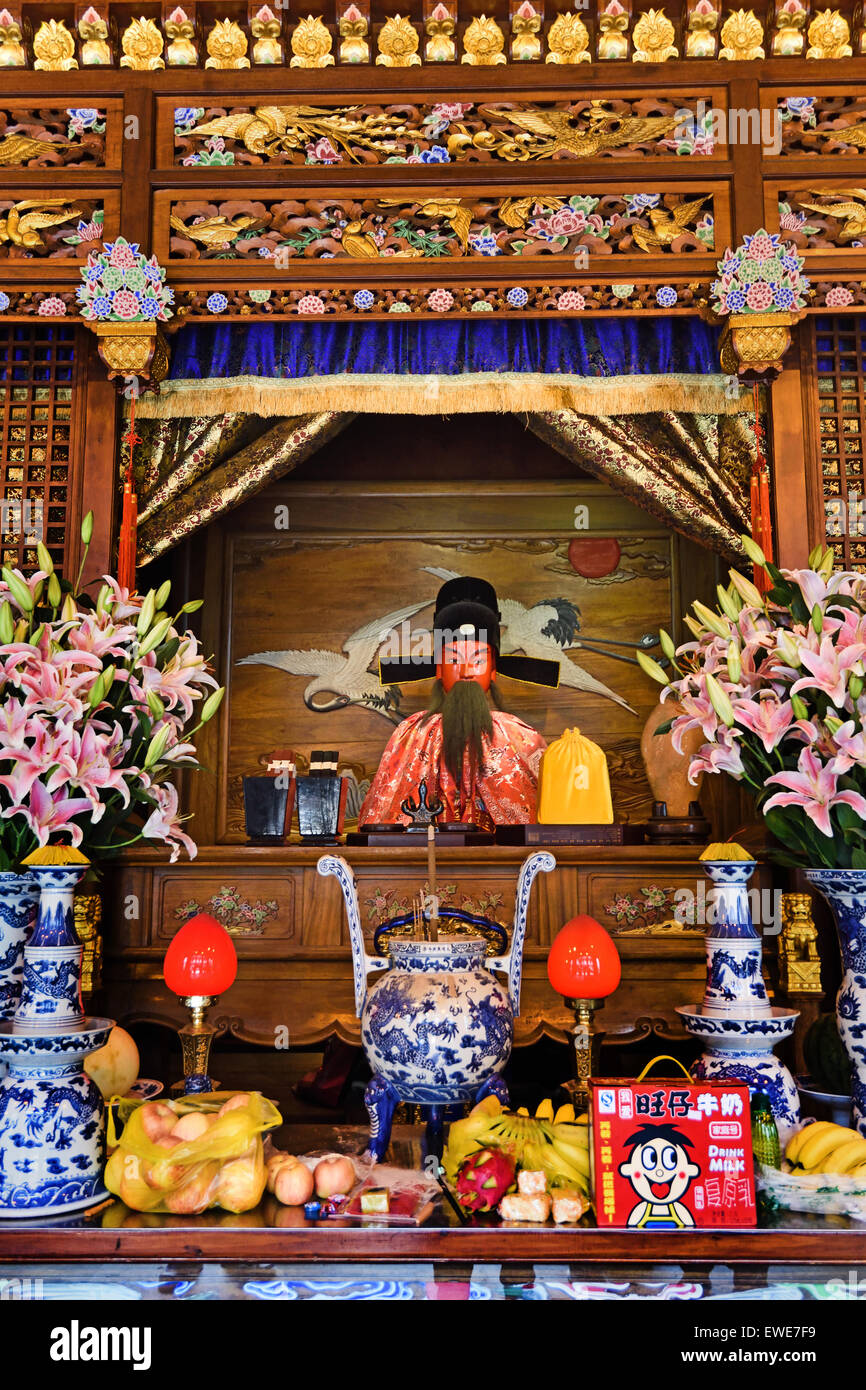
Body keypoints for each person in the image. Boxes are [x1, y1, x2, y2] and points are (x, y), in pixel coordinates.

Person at [359, 577, 558, 832]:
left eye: (478, 660)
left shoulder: (522, 737)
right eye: (454, 660)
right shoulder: (411, 734)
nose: (466, 671)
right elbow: (386, 816)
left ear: (493, 671)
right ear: (439, 670)